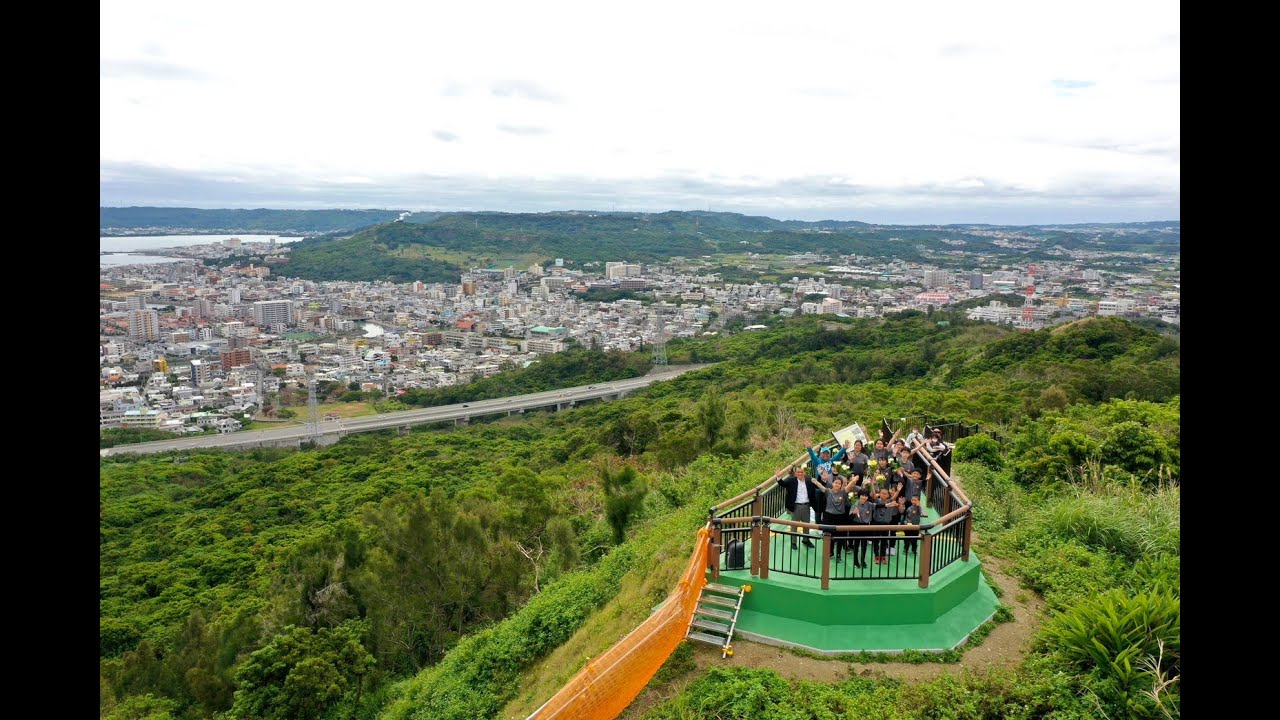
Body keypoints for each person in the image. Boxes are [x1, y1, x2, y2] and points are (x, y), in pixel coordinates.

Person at [776, 464, 820, 547]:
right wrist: (778, 477)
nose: (800, 473)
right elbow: (783, 484)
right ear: (795, 473)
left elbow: (818, 485)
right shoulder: (791, 480)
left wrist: (821, 477)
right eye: (798, 472)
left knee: (807, 524)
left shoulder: (809, 480)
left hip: (806, 506)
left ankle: (806, 540)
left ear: (805, 472)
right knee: (794, 525)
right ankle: (794, 542)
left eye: (801, 472)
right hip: (795, 506)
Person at [815, 474, 851, 560]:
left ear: (841, 485)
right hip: (828, 517)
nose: (837, 484)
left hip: (840, 517)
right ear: (833, 483)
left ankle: (838, 554)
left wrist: (853, 480)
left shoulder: (843, 492)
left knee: (840, 537)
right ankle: (830, 552)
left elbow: (849, 487)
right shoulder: (828, 491)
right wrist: (816, 482)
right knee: (829, 536)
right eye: (836, 483)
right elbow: (821, 487)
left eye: (839, 483)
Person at [849, 489, 874, 569]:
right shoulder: (855, 504)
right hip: (857, 525)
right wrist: (854, 513)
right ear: (859, 496)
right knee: (856, 544)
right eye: (862, 495)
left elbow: (878, 505)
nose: (864, 497)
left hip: (866, 526)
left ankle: (863, 560)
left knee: (864, 545)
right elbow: (849, 517)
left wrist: (888, 505)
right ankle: (855, 561)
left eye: (866, 496)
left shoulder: (869, 504)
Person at [871, 488, 898, 564]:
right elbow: (874, 494)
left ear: (888, 495)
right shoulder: (877, 501)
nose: (884, 495)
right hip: (877, 523)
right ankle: (876, 555)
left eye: (885, 493)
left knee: (884, 540)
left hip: (886, 524)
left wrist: (898, 490)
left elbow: (894, 498)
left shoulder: (890, 501)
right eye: (882, 493)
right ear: (879, 494)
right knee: (876, 541)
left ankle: (883, 556)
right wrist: (872, 484)